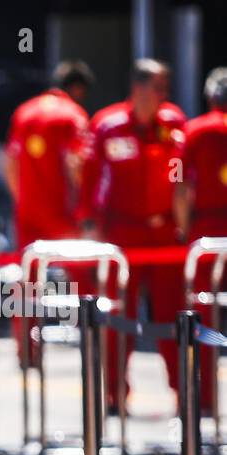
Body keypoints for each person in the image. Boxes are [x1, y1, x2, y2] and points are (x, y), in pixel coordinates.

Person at [79, 60, 186, 410]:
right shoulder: (108, 126)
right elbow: (90, 176)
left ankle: (186, 393)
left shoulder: (174, 125)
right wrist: (89, 224)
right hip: (122, 235)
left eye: (165, 88)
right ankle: (114, 393)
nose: (163, 95)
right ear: (138, 88)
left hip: (166, 234)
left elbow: (182, 176)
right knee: (115, 317)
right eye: (158, 87)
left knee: (174, 317)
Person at [2, 62, 91, 368]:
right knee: (87, 278)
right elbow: (76, 165)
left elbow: (10, 165)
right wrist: (84, 209)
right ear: (77, 89)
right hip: (64, 214)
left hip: (28, 211)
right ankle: (94, 345)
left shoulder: (24, 112)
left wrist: (23, 200)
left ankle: (25, 349)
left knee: (27, 282)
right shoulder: (74, 115)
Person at [175, 66, 227, 412]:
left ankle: (202, 399)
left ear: (209, 97)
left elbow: (178, 181)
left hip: (206, 233)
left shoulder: (192, 132)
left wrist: (181, 228)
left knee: (202, 318)